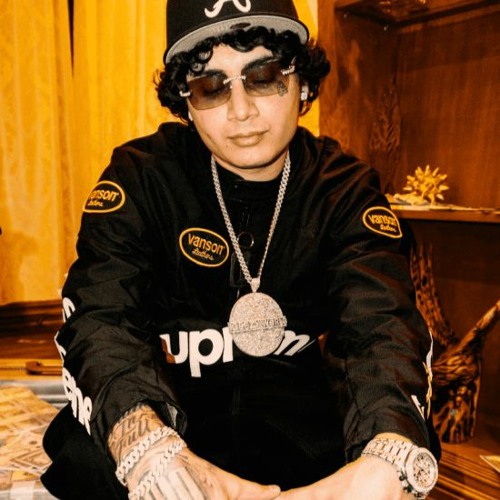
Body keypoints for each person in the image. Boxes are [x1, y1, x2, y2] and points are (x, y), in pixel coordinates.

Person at [41, 0, 440, 498]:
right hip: (171, 412)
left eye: (264, 76)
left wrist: (387, 454)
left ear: (303, 83)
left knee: (395, 450)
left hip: (301, 433)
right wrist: (145, 447)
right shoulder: (142, 177)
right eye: (211, 86)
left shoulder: (345, 190)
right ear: (186, 102)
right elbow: (101, 316)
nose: (241, 110)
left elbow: (381, 327)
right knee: (97, 444)